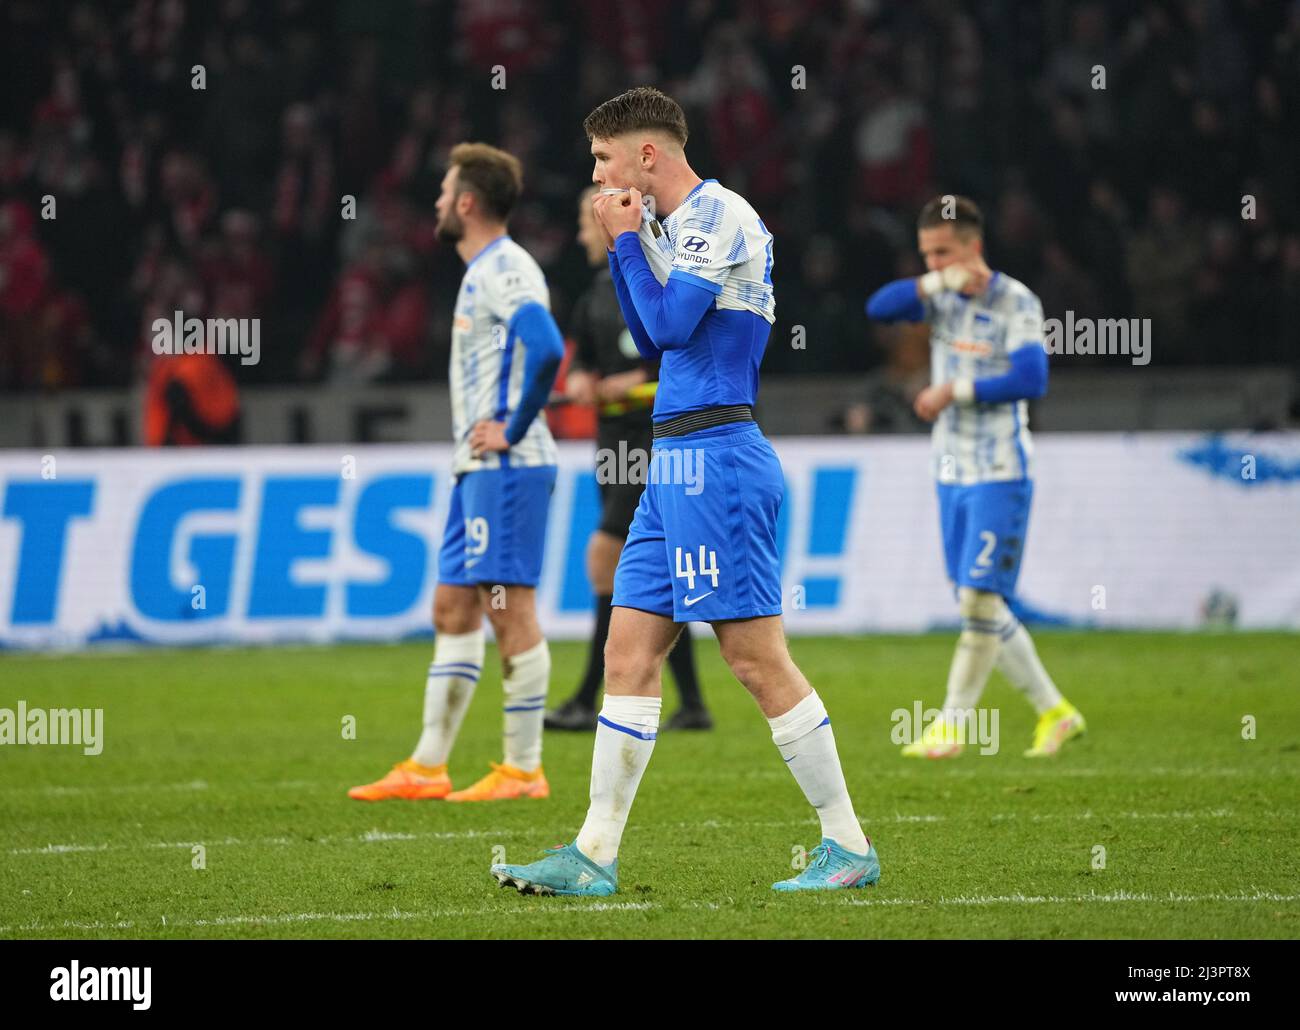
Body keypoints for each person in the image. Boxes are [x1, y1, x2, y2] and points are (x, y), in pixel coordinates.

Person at [491, 88, 880, 895]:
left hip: (718, 455)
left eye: (603, 157)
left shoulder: (720, 215)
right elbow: (645, 331)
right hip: (672, 466)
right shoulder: (667, 228)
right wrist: (630, 242)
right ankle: (594, 853)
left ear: (647, 156)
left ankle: (848, 845)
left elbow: (668, 331)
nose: (595, 174)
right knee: (627, 654)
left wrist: (628, 241)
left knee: (752, 657)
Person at [348, 143, 564, 802]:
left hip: (507, 465)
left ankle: (523, 771)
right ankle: (427, 766)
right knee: (452, 608)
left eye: (445, 193)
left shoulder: (505, 268)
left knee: (509, 610)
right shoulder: (483, 272)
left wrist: (516, 426)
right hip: (475, 468)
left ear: (467, 203)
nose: (438, 203)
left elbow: (549, 346)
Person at [865, 195, 1086, 759]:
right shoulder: (938, 300)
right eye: (926, 255)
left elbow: (1031, 379)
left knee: (980, 598)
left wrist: (952, 391)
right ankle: (1055, 712)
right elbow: (878, 307)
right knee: (976, 601)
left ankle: (951, 725)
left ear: (973, 247)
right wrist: (933, 285)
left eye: (942, 253)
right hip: (950, 470)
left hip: (999, 469)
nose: (933, 263)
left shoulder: (1015, 301)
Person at [545, 185, 712, 733]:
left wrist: (634, 381)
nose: (580, 231)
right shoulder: (595, 289)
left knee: (605, 556)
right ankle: (691, 705)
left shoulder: (657, 272)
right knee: (654, 573)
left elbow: (679, 351)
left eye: (585, 220)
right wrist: (583, 379)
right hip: (611, 439)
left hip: (652, 437)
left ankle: (586, 697)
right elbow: (580, 361)